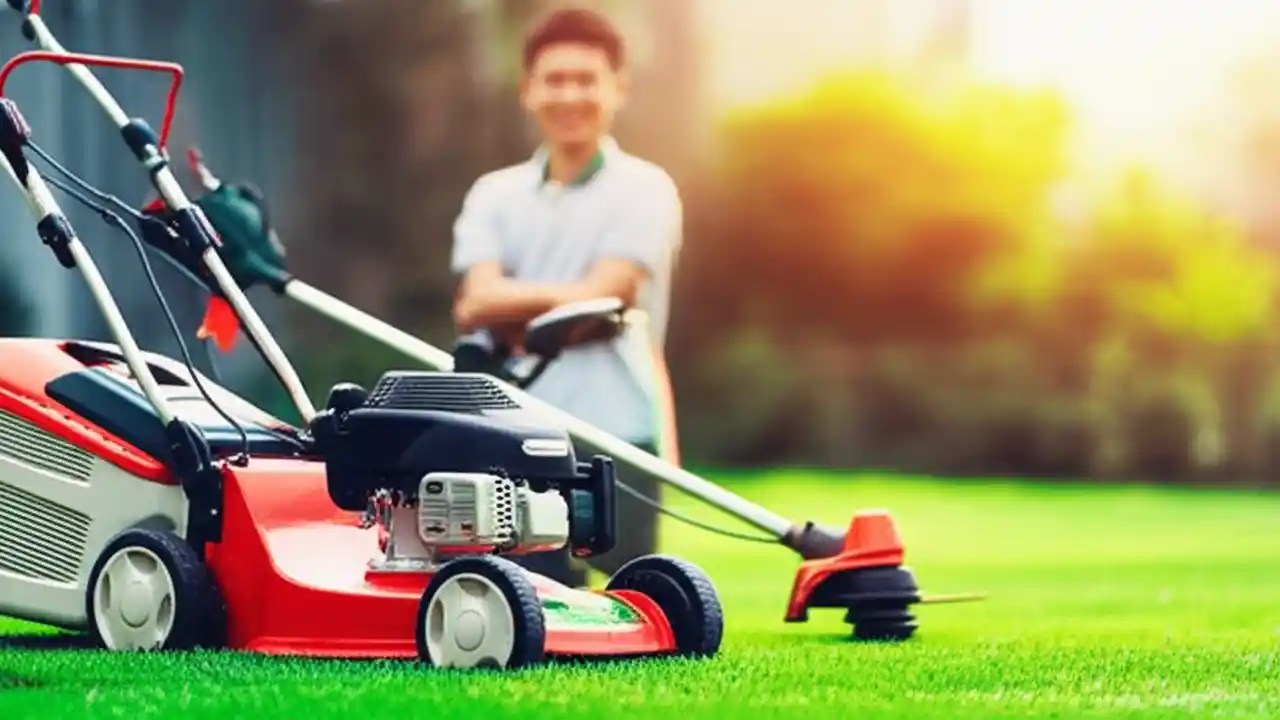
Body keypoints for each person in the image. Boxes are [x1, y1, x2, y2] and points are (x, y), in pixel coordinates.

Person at [449, 7, 682, 586]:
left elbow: (610, 293)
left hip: (620, 428)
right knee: (527, 593)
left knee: (637, 595)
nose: (570, 94)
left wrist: (517, 309)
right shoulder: (493, 194)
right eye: (555, 79)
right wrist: (567, 308)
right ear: (528, 91)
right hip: (514, 426)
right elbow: (474, 304)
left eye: (587, 79)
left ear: (617, 89)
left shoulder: (645, 189)